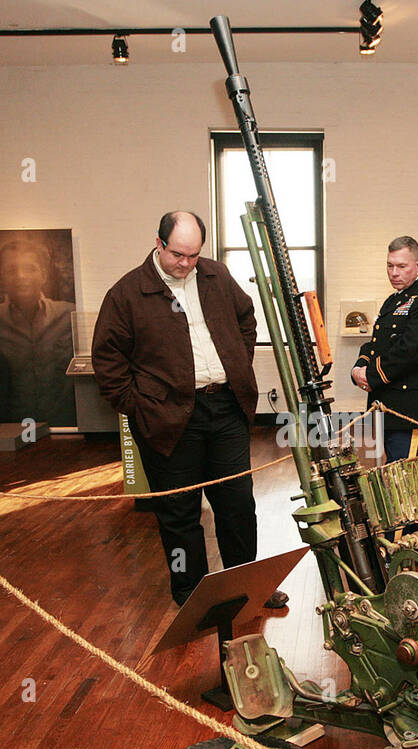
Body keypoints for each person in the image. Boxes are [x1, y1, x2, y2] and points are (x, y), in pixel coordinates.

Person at [91, 211, 285, 609]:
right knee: (179, 513)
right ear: (159, 243)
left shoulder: (216, 276)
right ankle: (192, 596)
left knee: (237, 505)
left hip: (225, 408)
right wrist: (141, 406)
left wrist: (237, 363)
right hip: (167, 418)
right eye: (178, 254)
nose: (185, 263)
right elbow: (108, 363)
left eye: (193, 255)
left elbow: (246, 320)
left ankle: (246, 586)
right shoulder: (127, 293)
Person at [352, 236, 418, 463]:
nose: (394, 272)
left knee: (407, 479)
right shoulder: (392, 301)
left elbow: (409, 351)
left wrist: (372, 375)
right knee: (394, 475)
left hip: (410, 412)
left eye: (401, 266)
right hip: (389, 408)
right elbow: (376, 344)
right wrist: (359, 366)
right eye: (390, 265)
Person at [0, 239, 76, 427]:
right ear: (0, 279)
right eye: (11, 270)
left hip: (66, 426)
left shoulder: (69, 315)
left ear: (43, 275)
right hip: (11, 429)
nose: (21, 276)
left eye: (30, 268)